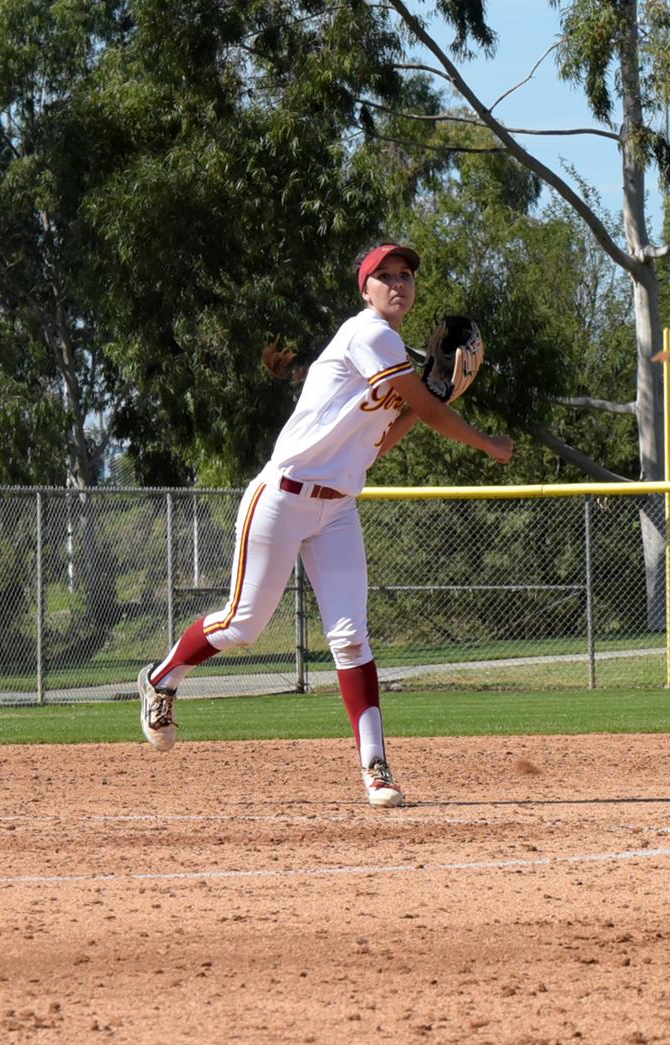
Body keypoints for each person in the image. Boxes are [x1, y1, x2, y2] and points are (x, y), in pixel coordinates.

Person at [136, 242, 514, 806]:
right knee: (242, 627)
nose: (398, 284)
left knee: (350, 635)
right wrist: (486, 441)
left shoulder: (396, 359)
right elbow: (434, 413)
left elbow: (379, 443)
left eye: (406, 275)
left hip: (336, 507)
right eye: (384, 276)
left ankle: (376, 768)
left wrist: (424, 398)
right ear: (365, 290)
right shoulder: (370, 335)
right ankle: (161, 678)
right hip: (281, 497)